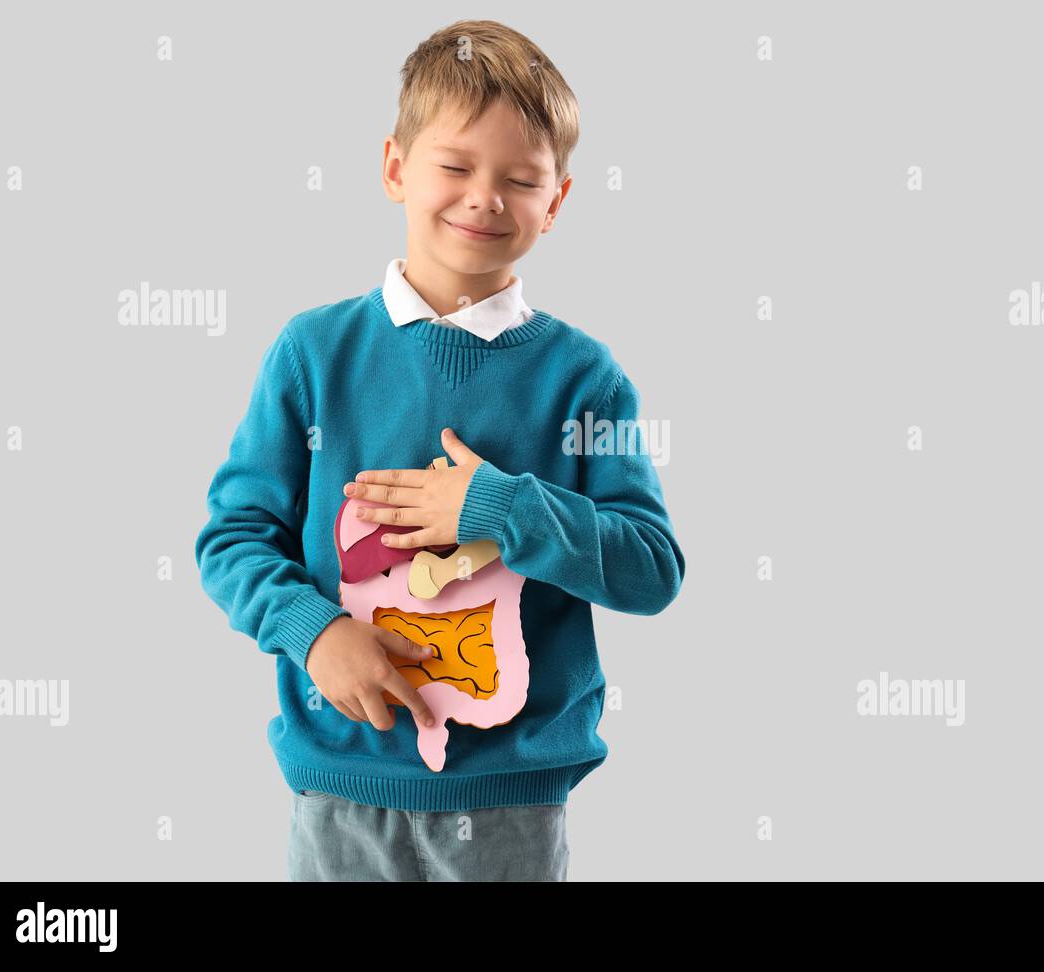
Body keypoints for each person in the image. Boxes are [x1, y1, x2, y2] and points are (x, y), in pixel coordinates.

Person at [194, 19, 686, 881]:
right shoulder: (312, 354)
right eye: (456, 167)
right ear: (395, 168)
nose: (485, 197)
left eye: (520, 179)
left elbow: (651, 569)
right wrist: (312, 633)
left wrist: (499, 508)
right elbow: (233, 536)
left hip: (512, 801)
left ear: (557, 201)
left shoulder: (588, 380)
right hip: (339, 789)